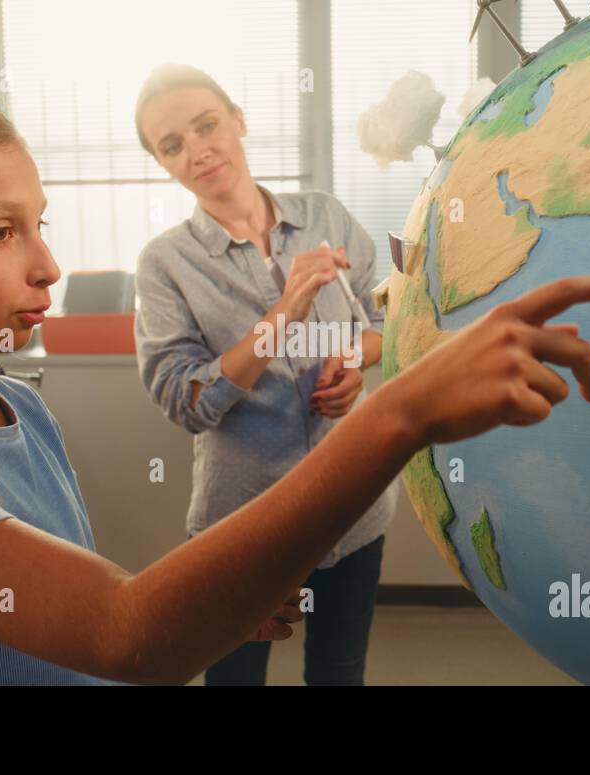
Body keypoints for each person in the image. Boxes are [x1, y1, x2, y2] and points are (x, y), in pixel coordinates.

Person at [0, 74, 590, 685]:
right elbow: (123, 631)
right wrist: (400, 412)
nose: (48, 265)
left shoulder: (13, 400)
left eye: (40, 224)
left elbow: (73, 607)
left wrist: (207, 598)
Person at [132, 63, 395, 685]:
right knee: (234, 679)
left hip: (352, 506)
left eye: (207, 125)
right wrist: (283, 315)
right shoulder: (165, 263)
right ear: (162, 163)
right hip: (240, 523)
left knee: (338, 675)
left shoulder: (327, 216)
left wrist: (356, 361)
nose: (198, 150)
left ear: (239, 121)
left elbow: (388, 317)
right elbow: (186, 401)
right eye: (172, 144)